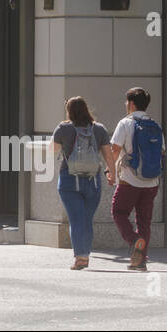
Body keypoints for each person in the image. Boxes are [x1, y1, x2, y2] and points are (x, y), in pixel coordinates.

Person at [104, 87, 163, 271]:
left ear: (130, 103)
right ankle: (140, 260)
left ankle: (134, 240)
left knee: (118, 212)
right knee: (144, 221)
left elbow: (114, 149)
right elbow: (161, 152)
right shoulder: (155, 126)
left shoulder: (125, 123)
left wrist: (110, 171)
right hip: (151, 181)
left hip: (129, 180)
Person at [52, 96, 111, 270]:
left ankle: (81, 257)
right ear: (86, 109)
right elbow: (108, 154)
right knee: (86, 220)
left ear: (68, 111)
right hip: (93, 181)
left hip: (69, 180)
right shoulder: (99, 129)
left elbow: (53, 149)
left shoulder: (63, 128)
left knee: (76, 220)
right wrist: (113, 174)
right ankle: (85, 254)